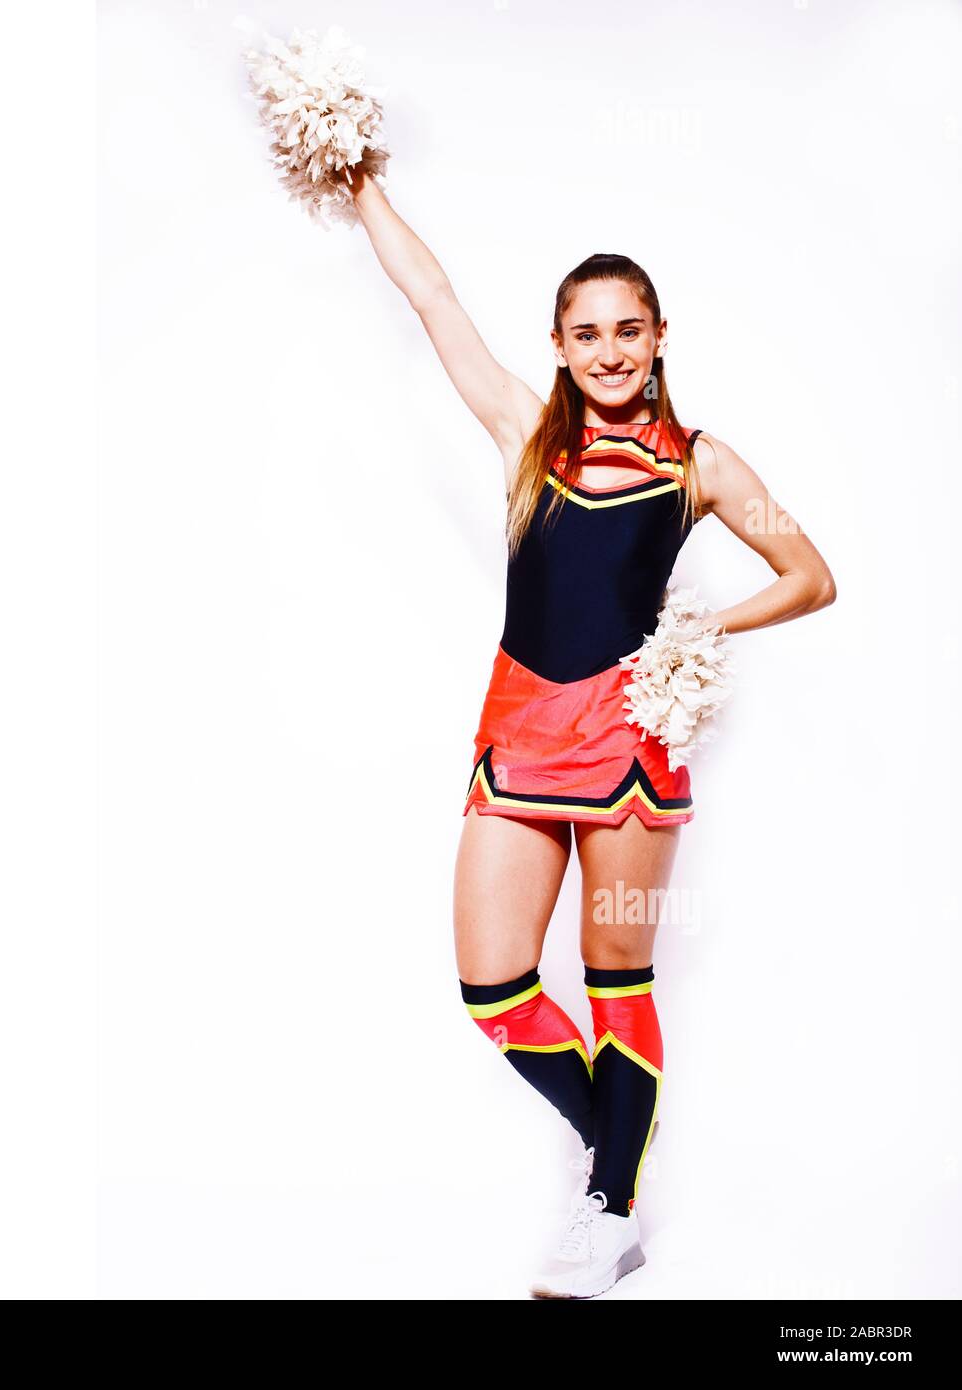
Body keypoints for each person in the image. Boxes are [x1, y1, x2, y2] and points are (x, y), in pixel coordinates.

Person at [348, 167, 837, 1298]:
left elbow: (809, 576)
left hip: (628, 747)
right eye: (585, 332)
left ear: (659, 336)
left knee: (616, 974)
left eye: (627, 329)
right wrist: (361, 182)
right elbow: (430, 299)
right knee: (493, 982)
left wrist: (695, 631)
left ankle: (608, 1209)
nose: (608, 350)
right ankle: (611, 1147)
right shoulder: (527, 434)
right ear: (558, 345)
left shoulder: (701, 462)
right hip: (518, 734)